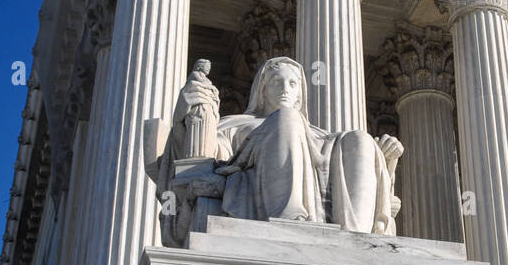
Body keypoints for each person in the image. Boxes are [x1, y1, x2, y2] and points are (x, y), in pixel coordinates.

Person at [162, 56, 402, 235]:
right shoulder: (237, 125)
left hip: (335, 210)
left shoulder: (319, 135)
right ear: (262, 90)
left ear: (300, 93)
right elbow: (211, 158)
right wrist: (193, 114)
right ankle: (289, 221)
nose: (285, 89)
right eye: (277, 82)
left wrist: (385, 160)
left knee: (359, 138)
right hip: (260, 195)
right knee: (287, 118)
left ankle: (356, 240)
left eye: (292, 83)